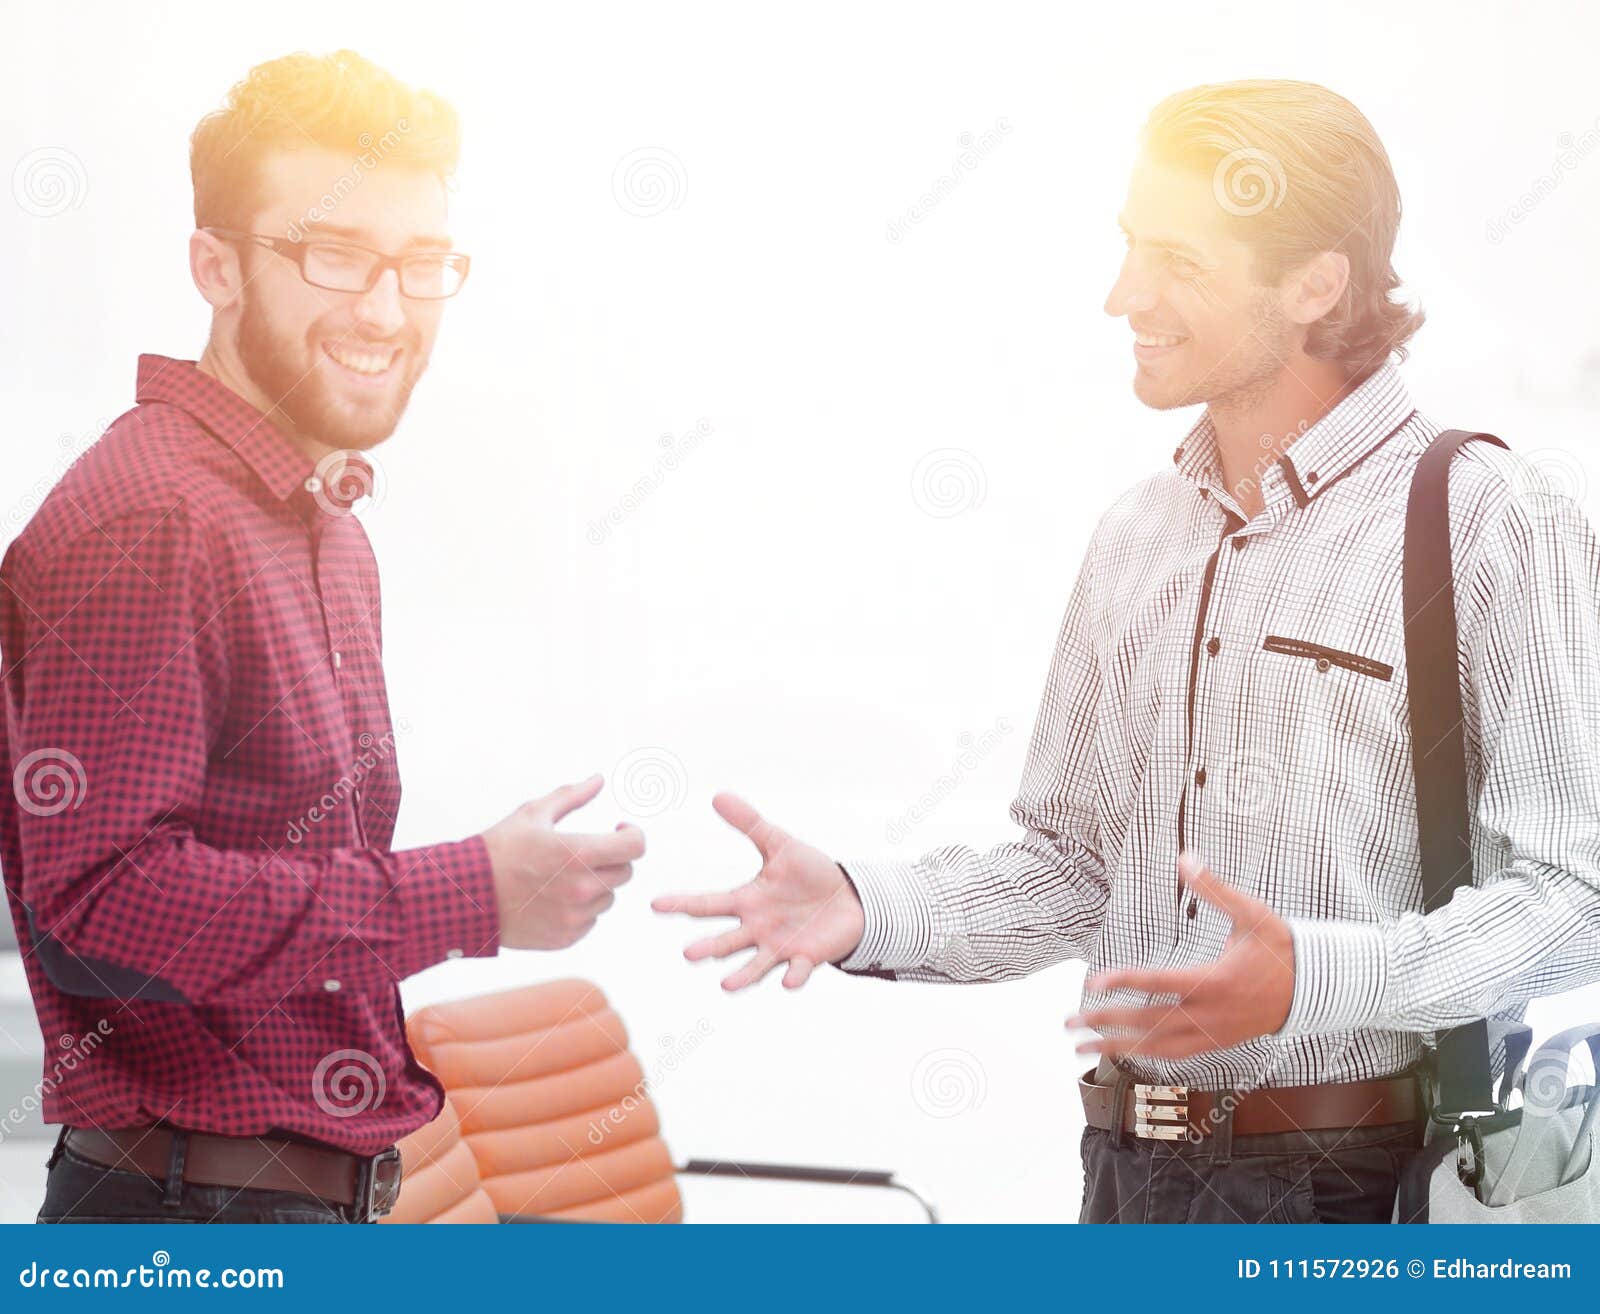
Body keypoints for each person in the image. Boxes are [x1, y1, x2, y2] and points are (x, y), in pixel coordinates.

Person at [655, 79, 1600, 1223]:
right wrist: (866, 906)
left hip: (1361, 1190)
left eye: (1178, 262)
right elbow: (1076, 869)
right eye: (1126, 249)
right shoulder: (1137, 535)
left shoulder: (1493, 519)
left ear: (1315, 282)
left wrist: (1317, 976)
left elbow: (1577, 893)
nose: (1121, 297)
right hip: (1125, 1179)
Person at [1, 50, 643, 1224]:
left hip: (306, 1213)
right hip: (188, 1228)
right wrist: (469, 895)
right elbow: (99, 912)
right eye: (335, 256)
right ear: (217, 268)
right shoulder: (155, 517)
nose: (386, 310)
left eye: (420, 266)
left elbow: (278, 878)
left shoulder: (326, 526)